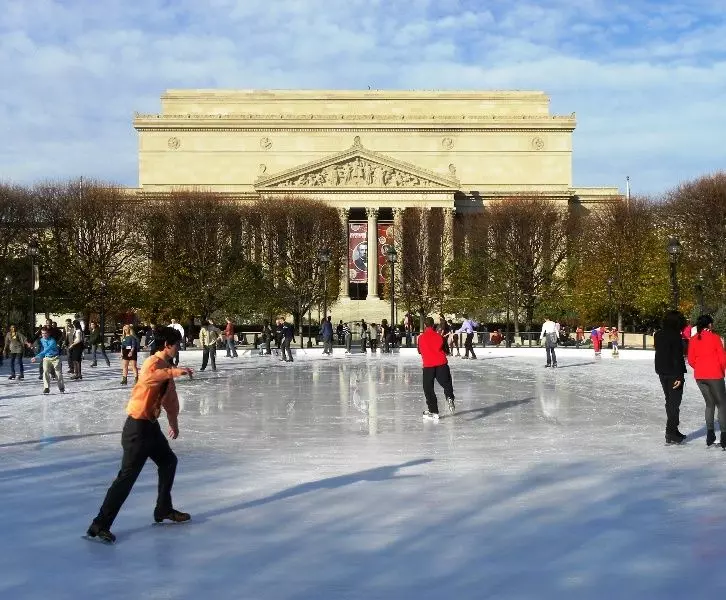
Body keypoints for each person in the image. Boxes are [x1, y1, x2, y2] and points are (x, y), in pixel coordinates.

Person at [85, 327, 193, 544]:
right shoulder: (153, 363)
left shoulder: (167, 367)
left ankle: (163, 509)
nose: (179, 347)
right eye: (177, 344)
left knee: (168, 461)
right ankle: (100, 525)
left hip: (151, 428)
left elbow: (170, 400)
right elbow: (148, 378)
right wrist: (174, 372)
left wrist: (174, 423)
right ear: (167, 345)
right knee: (126, 478)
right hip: (136, 429)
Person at [687, 314, 726, 448]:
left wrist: (699, 368)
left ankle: (710, 434)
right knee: (722, 405)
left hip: (700, 376)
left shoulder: (693, 339)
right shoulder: (715, 338)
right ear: (709, 325)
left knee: (709, 404)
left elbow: (691, 360)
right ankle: (724, 436)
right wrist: (721, 371)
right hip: (715, 374)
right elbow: (722, 358)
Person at [654, 310, 687, 444]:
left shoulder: (658, 334)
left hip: (662, 371)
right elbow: (677, 357)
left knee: (670, 401)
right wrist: (679, 376)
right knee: (674, 403)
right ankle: (670, 431)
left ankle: (673, 430)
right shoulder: (675, 336)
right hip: (674, 373)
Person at [417, 316, 456, 420]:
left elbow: (420, 351)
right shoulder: (439, 337)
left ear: (425, 325)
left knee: (428, 388)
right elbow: (446, 350)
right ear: (433, 325)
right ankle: (449, 397)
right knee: (446, 383)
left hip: (428, 365)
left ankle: (433, 411)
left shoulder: (421, 338)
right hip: (441, 364)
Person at [30, 327, 65, 394]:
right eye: (42, 333)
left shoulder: (52, 341)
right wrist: (32, 346)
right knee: (45, 371)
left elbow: (46, 350)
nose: (44, 335)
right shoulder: (41, 340)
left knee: (58, 373)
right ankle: (46, 388)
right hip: (47, 358)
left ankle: (61, 387)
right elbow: (39, 348)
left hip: (55, 358)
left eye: (45, 333)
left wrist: (36, 357)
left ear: (48, 333)